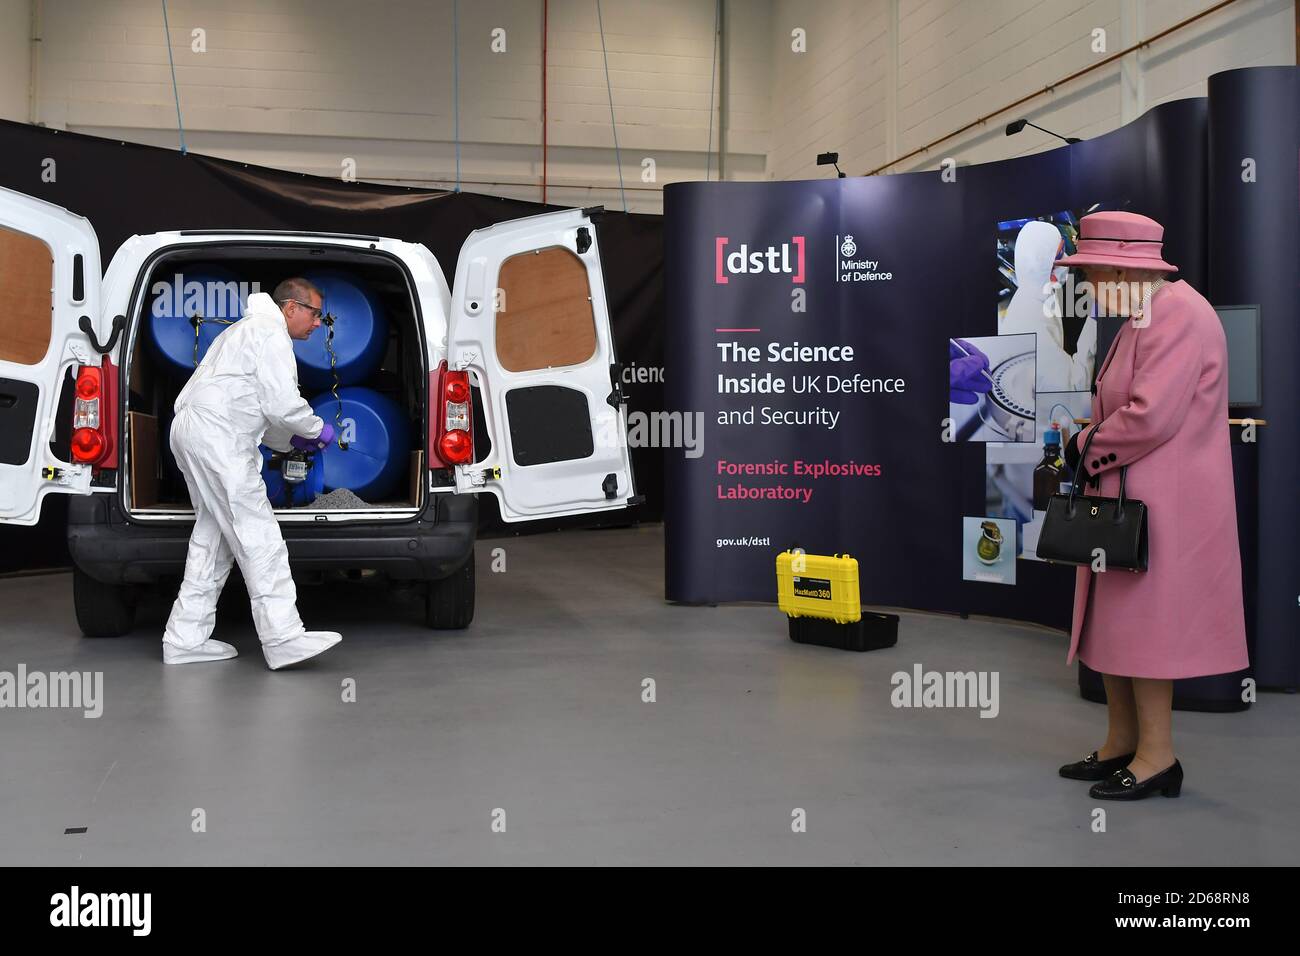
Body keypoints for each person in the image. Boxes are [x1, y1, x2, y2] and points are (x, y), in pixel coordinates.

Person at [1053, 212, 1248, 800]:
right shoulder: (1147, 314)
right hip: (1129, 501)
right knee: (1117, 625)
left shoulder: (1179, 314)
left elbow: (1150, 417)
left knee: (1147, 629)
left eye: (1087, 268)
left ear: (1118, 265)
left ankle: (1158, 756)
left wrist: (1083, 445)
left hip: (1163, 508)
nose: (1083, 278)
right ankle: (1121, 742)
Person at [161, 278, 343, 670]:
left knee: (213, 538)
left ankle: (184, 639)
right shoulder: (270, 333)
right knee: (257, 532)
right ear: (291, 308)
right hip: (219, 438)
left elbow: (261, 405)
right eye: (315, 314)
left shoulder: (242, 331)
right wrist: (316, 430)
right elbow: (281, 404)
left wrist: (292, 439)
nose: (318, 324)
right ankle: (282, 637)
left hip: (194, 430)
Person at [1000, 219, 1096, 392]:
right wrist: (1093, 327)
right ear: (1044, 266)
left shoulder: (1035, 298)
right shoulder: (1032, 322)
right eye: (1059, 256)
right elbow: (1073, 387)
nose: (1066, 260)